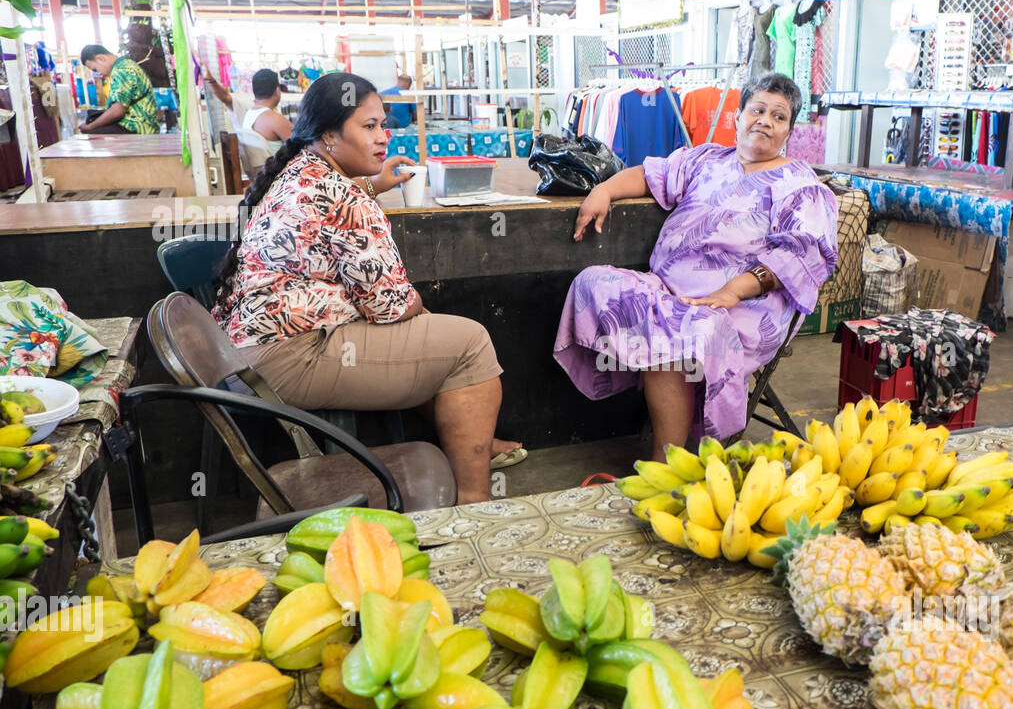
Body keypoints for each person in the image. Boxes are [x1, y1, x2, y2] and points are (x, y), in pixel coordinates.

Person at [212, 72, 524, 504]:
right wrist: (415, 302)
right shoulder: (347, 201)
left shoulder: (300, 170)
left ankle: (473, 440)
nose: (384, 137)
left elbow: (331, 216)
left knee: (433, 338)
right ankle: (472, 500)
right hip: (286, 360)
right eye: (369, 126)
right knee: (469, 343)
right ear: (330, 136)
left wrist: (374, 185)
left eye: (383, 124)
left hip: (245, 356)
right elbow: (391, 306)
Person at [554, 72, 838, 454]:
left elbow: (799, 256)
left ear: (789, 129)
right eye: (757, 109)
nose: (765, 121)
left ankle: (668, 463)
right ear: (737, 116)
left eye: (779, 116)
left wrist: (732, 291)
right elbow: (649, 174)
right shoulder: (706, 158)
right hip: (669, 290)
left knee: (682, 337)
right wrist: (603, 191)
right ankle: (671, 443)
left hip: (743, 306)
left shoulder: (799, 184)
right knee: (594, 282)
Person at [78, 44, 160, 135]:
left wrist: (90, 127)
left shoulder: (121, 70)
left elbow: (117, 111)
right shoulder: (125, 65)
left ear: (101, 58)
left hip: (136, 127)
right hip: (140, 125)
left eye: (95, 69)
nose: (99, 74)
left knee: (93, 136)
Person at [206, 67, 293, 147]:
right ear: (277, 90)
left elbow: (226, 98)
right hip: (275, 164)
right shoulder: (277, 120)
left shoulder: (248, 115)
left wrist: (211, 81)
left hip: (256, 164)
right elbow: (300, 149)